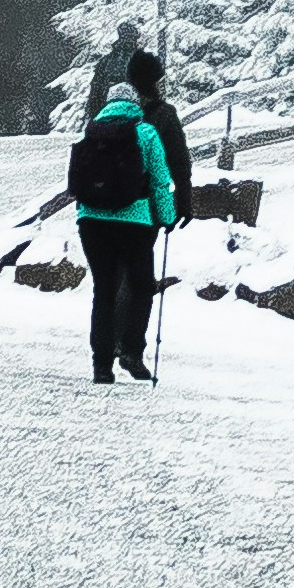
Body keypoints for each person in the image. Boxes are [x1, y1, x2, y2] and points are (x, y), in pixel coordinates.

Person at [63, 52, 180, 385]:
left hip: (93, 222)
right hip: (134, 222)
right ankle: (131, 351)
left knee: (105, 289)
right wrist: (167, 217)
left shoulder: (92, 131)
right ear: (135, 104)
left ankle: (102, 364)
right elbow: (159, 180)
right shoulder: (144, 133)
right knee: (141, 286)